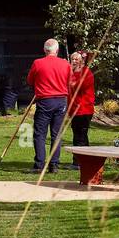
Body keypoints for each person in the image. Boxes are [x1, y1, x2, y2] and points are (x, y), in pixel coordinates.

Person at [27, 38, 72, 174]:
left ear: (45, 50)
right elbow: (70, 81)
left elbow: (30, 80)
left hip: (45, 100)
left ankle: (40, 164)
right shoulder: (65, 64)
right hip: (61, 101)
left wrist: (39, 85)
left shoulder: (38, 63)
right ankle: (54, 165)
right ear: (57, 50)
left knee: (40, 133)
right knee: (56, 134)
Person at [68, 50, 95, 157]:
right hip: (74, 109)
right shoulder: (72, 72)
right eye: (72, 59)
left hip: (84, 109)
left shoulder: (86, 72)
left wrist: (71, 82)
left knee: (81, 136)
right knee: (76, 135)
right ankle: (79, 160)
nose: (74, 61)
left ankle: (80, 161)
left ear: (82, 61)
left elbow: (79, 86)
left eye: (76, 59)